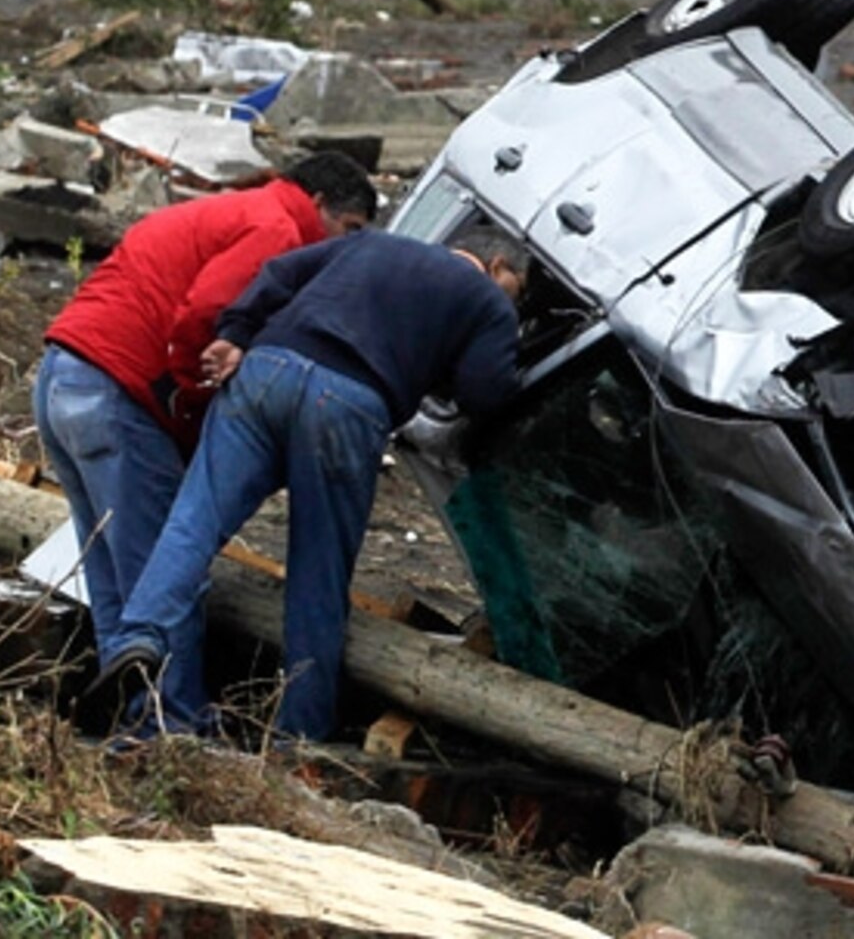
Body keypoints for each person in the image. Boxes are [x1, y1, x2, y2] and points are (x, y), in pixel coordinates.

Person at [91, 226, 526, 740]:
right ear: (498, 265)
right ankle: (299, 735)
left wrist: (235, 332)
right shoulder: (487, 301)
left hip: (265, 368)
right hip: (349, 403)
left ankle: (138, 635)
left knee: (194, 522)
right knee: (318, 572)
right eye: (518, 287)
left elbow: (278, 273)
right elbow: (485, 392)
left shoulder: (374, 242)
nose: (513, 298)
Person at [34, 151, 379, 730]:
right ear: (319, 205)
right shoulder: (279, 228)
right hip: (122, 391)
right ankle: (167, 729)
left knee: (114, 576)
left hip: (62, 374)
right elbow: (207, 311)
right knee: (163, 578)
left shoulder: (232, 208)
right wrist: (191, 398)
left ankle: (126, 718)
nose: (345, 249)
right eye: (348, 232)